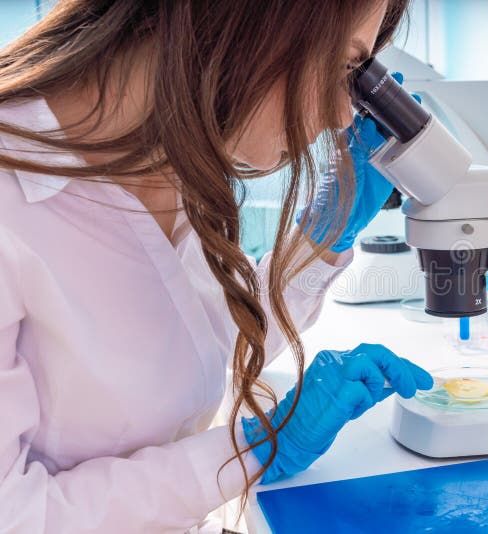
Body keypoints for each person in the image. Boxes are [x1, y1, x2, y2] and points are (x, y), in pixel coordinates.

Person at [0, 1, 433, 532]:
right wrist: (251, 450)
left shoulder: (168, 162)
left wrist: (322, 237)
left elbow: (197, 339)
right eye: (345, 66)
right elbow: (14, 517)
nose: (345, 114)